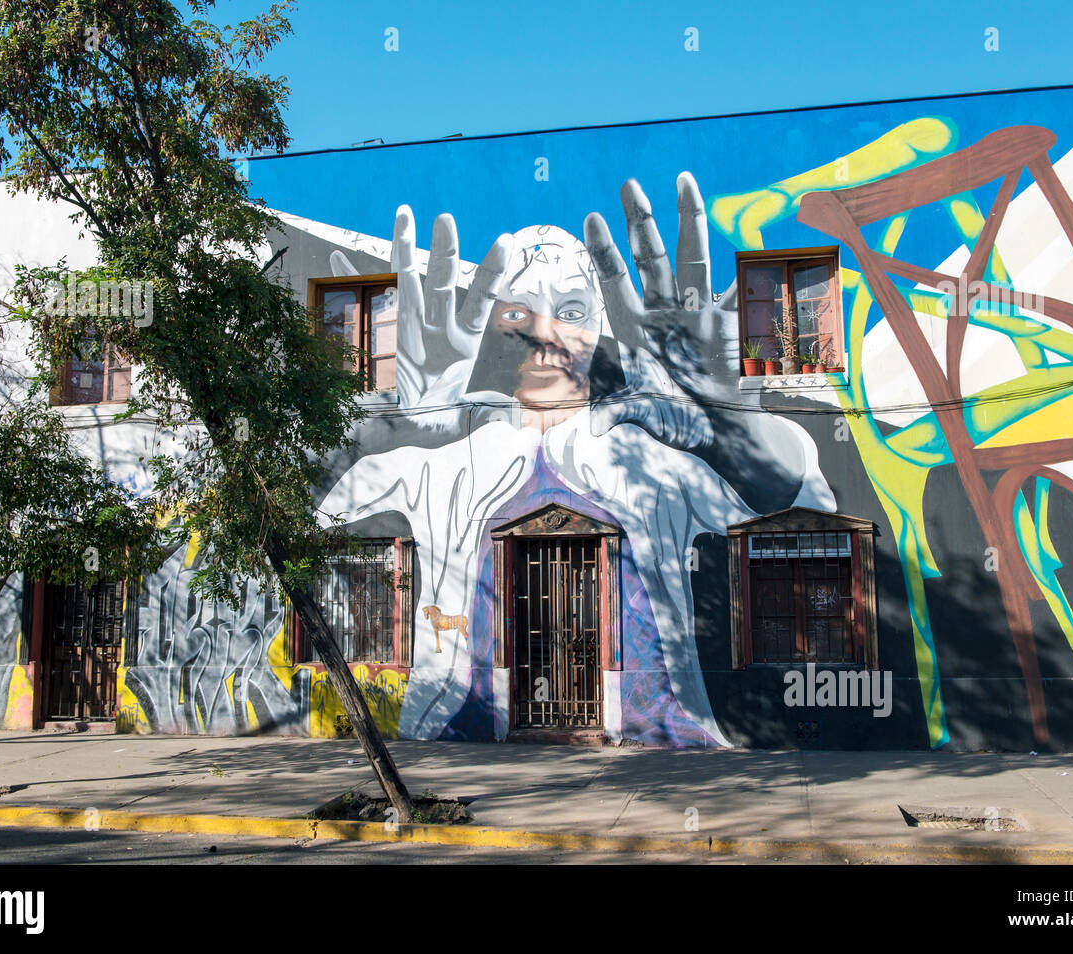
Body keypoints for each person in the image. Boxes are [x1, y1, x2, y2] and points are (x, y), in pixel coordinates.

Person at [315, 173, 834, 745]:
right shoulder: (444, 461)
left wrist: (722, 426)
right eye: (517, 314)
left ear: (602, 328)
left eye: (571, 310)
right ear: (490, 330)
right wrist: (388, 428)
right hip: (442, 733)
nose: (547, 336)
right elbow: (311, 508)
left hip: (679, 740)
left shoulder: (649, 454)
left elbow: (802, 501)